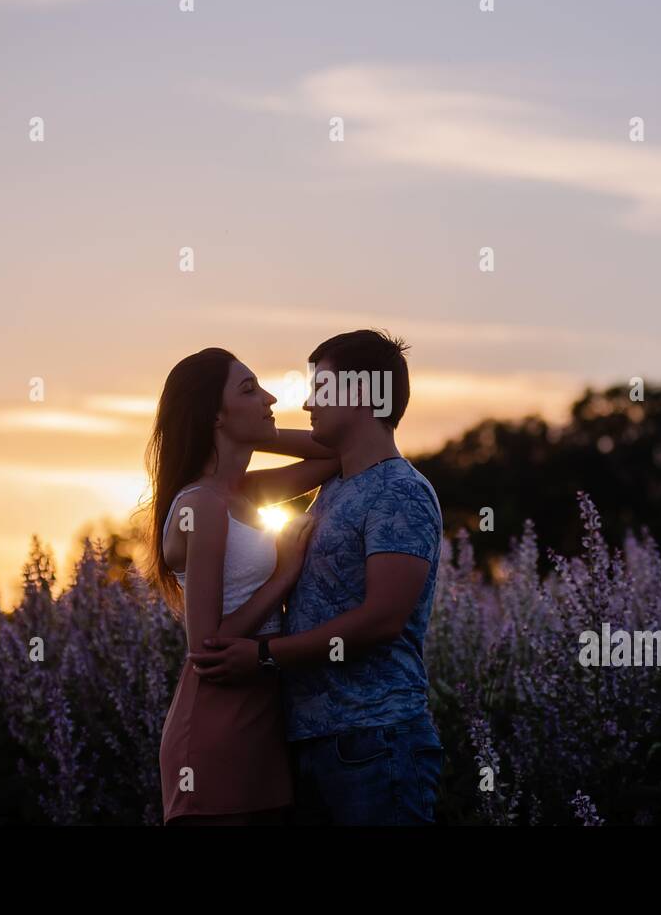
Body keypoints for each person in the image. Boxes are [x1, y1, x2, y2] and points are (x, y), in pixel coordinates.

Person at [192, 330, 446, 825]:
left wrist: (264, 656)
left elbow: (381, 620)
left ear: (358, 394)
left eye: (320, 388)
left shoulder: (401, 492)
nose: (307, 403)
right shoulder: (334, 485)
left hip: (377, 740)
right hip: (314, 743)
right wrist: (251, 432)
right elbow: (226, 484)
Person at [143, 347, 338, 825]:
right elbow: (206, 648)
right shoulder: (202, 505)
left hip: (264, 716)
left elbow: (337, 451)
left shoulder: (244, 492)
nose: (271, 397)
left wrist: (257, 431)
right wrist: (283, 576)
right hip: (216, 724)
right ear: (213, 413)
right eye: (250, 390)